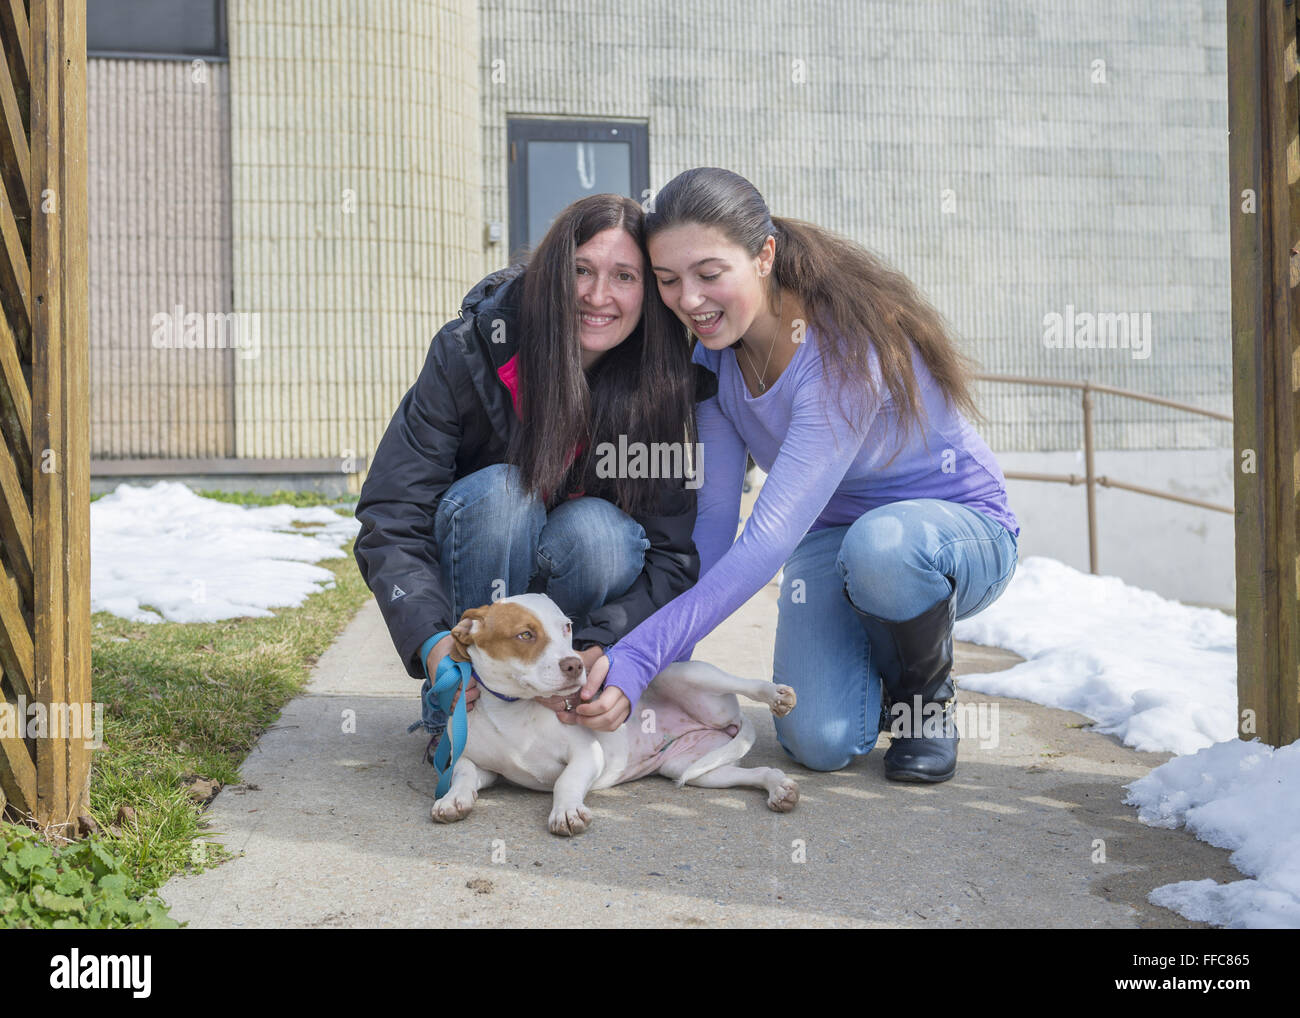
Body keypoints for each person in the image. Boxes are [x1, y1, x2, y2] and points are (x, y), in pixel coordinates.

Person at [567, 167, 1019, 784]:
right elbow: (715, 524)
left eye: (709, 273)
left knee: (883, 548)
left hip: (952, 534)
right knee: (818, 741)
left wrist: (639, 656)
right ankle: (877, 645)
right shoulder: (712, 358)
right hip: (832, 538)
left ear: (763, 255)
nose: (689, 300)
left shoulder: (841, 351)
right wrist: (657, 673)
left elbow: (767, 542)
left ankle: (924, 706)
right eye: (668, 281)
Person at [353, 192, 709, 746]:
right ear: (549, 273)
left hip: (575, 579)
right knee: (503, 493)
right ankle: (461, 706)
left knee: (602, 534)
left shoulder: (660, 387)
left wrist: (604, 645)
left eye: (624, 277)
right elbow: (392, 514)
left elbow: (670, 558)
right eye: (581, 270)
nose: (597, 295)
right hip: (482, 555)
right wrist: (431, 641)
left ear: (650, 294)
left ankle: (559, 706)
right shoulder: (468, 351)